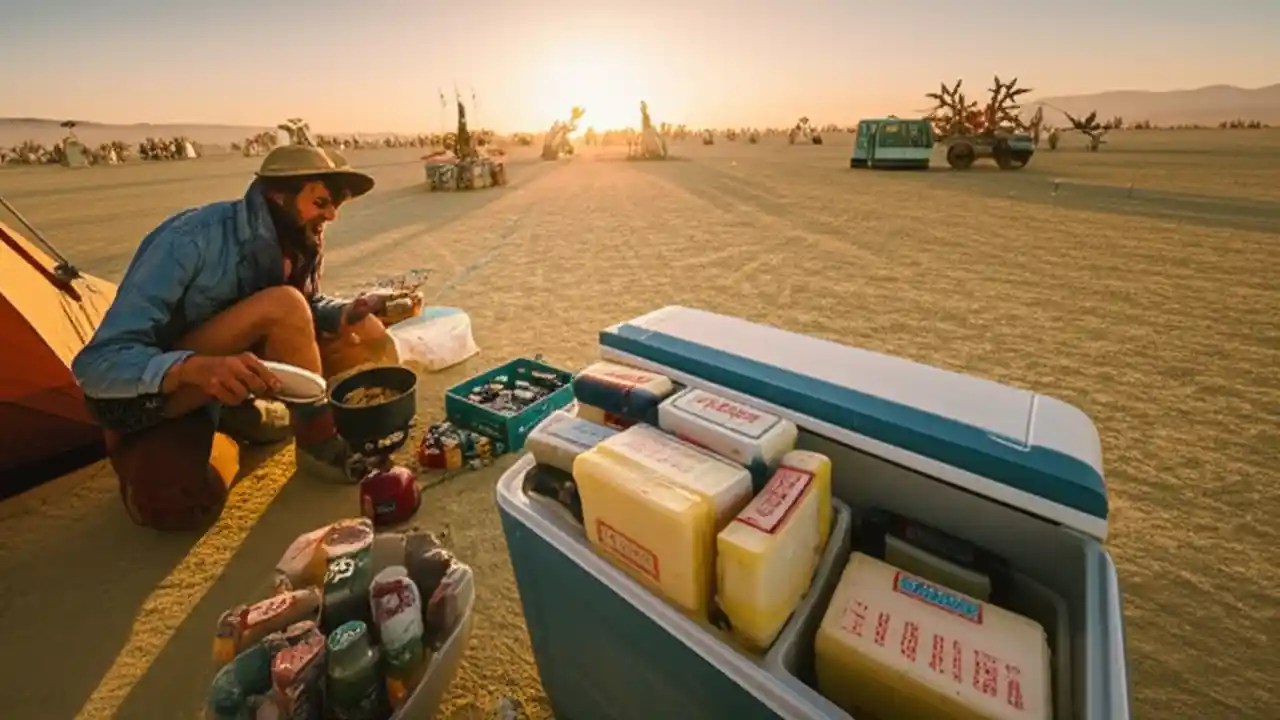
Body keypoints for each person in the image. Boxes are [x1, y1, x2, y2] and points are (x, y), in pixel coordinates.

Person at [72, 144, 396, 531]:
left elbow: (304, 305)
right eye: (322, 201)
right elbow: (97, 363)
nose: (331, 215)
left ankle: (314, 441)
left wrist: (345, 311)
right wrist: (192, 370)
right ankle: (222, 432)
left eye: (335, 205)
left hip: (238, 370)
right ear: (278, 195)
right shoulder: (189, 239)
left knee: (365, 334)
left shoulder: (298, 236)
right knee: (177, 503)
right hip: (170, 388)